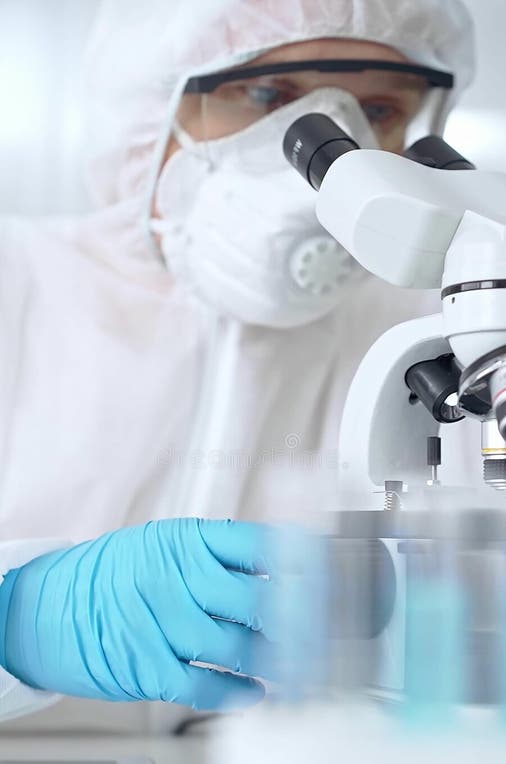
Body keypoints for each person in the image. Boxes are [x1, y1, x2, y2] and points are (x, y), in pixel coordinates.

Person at [0, 0, 474, 722]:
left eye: (378, 108)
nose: (337, 147)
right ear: (147, 106)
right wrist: (17, 622)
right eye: (266, 95)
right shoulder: (17, 284)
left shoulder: (440, 336)